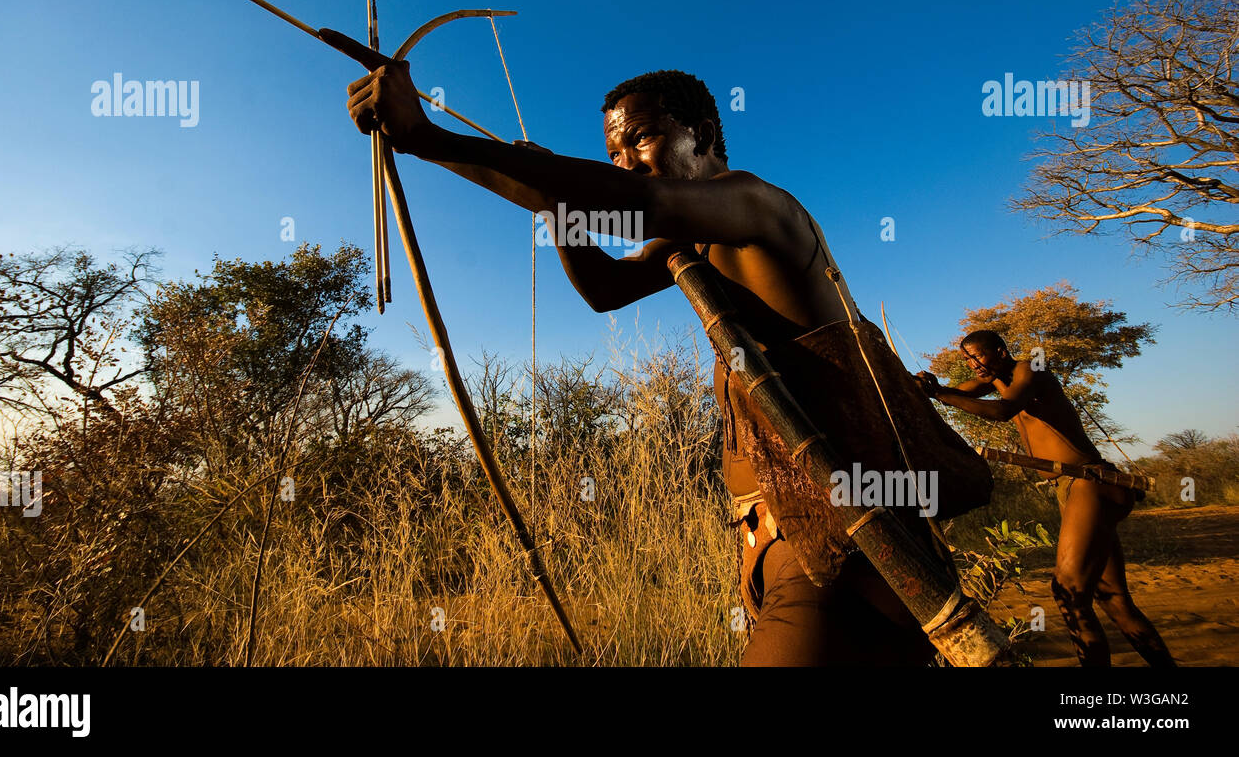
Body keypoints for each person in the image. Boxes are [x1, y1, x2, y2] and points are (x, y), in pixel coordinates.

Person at [347, 62, 949, 664]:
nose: (626, 160)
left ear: (703, 136)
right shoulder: (698, 240)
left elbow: (632, 202)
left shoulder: (755, 203)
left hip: (836, 545)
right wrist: (557, 202)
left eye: (641, 138)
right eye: (613, 153)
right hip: (784, 537)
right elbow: (606, 287)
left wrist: (428, 139)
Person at [915, 330, 1175, 666]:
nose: (972, 363)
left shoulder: (1029, 370)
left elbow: (1004, 410)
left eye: (977, 355)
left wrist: (942, 394)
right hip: (1071, 489)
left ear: (1000, 351)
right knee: (1114, 601)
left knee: (1069, 592)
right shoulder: (994, 379)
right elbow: (950, 392)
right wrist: (924, 386)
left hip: (1089, 482)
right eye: (967, 358)